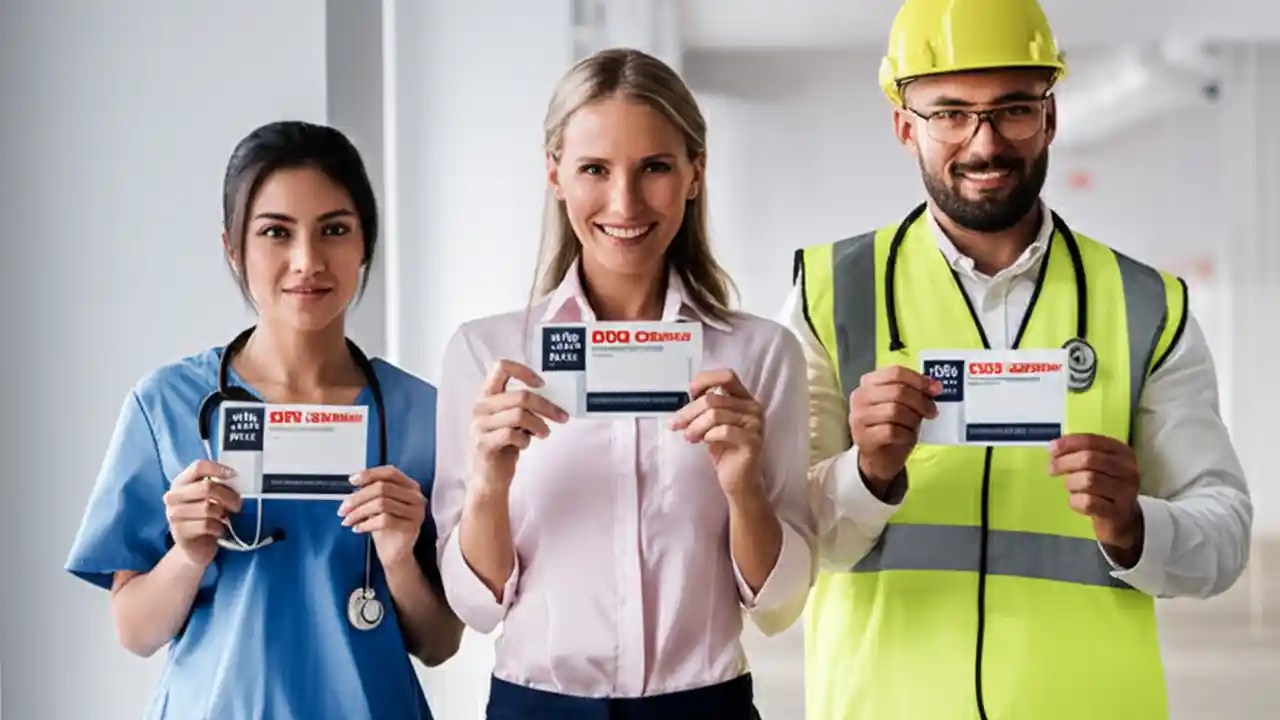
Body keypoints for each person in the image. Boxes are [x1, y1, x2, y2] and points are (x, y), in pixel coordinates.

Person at [782, 1, 1255, 718]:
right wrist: (866, 474)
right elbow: (782, 550)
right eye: (950, 113)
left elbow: (1223, 536)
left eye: (1012, 109)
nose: (983, 143)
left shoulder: (1144, 306)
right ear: (904, 124)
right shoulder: (828, 294)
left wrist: (1135, 525)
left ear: (1051, 117)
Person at [431, 48, 815, 719]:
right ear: (554, 173)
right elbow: (476, 608)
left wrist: (742, 486)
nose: (624, 201)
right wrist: (490, 483)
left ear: (696, 171)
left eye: (655, 168)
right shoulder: (488, 354)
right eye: (594, 170)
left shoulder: (759, 355)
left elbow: (780, 603)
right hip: (535, 708)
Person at [64, 120, 463, 719]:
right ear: (233, 248)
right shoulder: (169, 406)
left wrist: (399, 556)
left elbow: (439, 643)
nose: (308, 261)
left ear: (365, 245)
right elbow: (134, 631)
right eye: (276, 232)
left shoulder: (420, 415)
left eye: (334, 230)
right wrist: (188, 554)